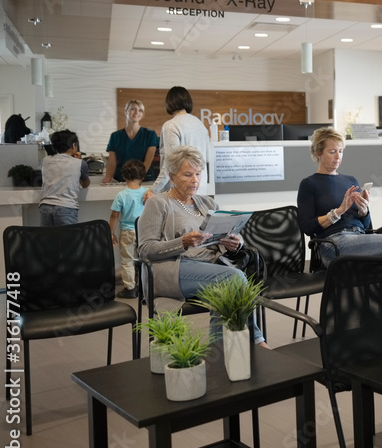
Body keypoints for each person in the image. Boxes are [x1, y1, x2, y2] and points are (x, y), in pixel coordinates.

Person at [138, 146, 265, 345]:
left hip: (209, 267)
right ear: (172, 177)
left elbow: (229, 236)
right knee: (234, 278)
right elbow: (145, 249)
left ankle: (218, 350)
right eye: (187, 174)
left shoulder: (208, 203)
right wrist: (183, 242)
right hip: (174, 268)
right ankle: (256, 341)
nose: (195, 180)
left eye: (198, 174)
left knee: (224, 291)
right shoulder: (158, 204)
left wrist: (235, 243)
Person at [297, 127, 382, 267]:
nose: (338, 156)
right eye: (332, 152)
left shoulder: (351, 181)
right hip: (333, 243)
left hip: (359, 237)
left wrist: (364, 211)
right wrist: (339, 211)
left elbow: (366, 226)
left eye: (341, 151)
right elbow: (307, 227)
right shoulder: (309, 184)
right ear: (318, 153)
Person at [149, 86, 210, 197]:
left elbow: (170, 164)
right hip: (200, 190)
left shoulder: (171, 126)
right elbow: (207, 160)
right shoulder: (201, 125)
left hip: (180, 192)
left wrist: (154, 190)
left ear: (169, 103)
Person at [109, 159, 148, 299]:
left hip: (127, 232)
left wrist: (110, 232)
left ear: (124, 176)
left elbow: (114, 215)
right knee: (144, 259)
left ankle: (130, 288)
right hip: (144, 231)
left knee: (127, 260)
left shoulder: (121, 195)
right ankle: (144, 288)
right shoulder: (147, 193)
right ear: (143, 176)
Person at [39, 129, 90, 226]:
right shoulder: (80, 163)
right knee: (68, 240)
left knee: (47, 240)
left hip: (45, 207)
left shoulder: (45, 160)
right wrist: (78, 161)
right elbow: (85, 184)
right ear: (74, 145)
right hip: (66, 207)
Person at [101, 99, 159, 183]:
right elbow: (112, 162)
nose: (136, 112)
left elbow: (147, 161)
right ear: (126, 111)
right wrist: (108, 177)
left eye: (140, 110)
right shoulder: (115, 136)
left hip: (144, 180)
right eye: (133, 109)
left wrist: (137, 179)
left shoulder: (150, 134)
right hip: (122, 180)